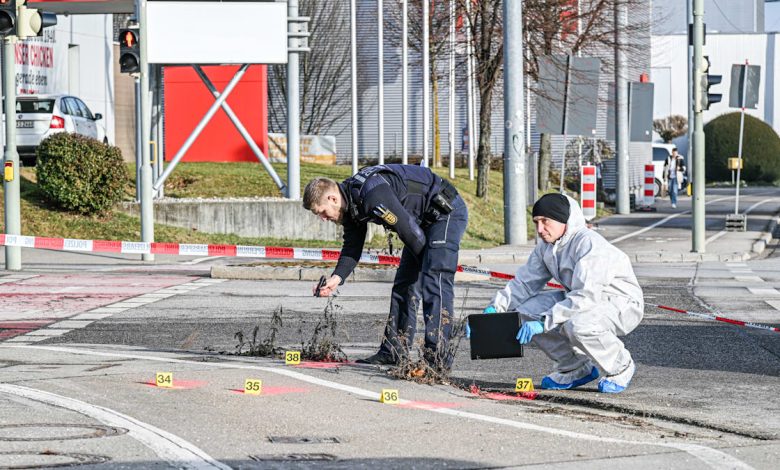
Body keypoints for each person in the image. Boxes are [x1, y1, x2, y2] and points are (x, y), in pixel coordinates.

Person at [303, 164, 468, 371]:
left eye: (323, 213)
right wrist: (336, 278)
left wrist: (430, 266)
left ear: (332, 199)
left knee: (434, 278)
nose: (324, 219)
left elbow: (407, 229)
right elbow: (352, 247)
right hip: (419, 223)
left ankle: (437, 358)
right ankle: (394, 351)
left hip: (445, 213)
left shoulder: (372, 194)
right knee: (404, 285)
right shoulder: (353, 202)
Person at [475, 193, 643, 393]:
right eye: (536, 222)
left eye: (545, 221)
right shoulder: (546, 247)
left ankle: (620, 365)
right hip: (580, 298)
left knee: (578, 325)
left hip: (620, 303)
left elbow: (587, 295)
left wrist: (545, 321)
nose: (539, 229)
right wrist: (496, 308)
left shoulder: (589, 244)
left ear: (563, 220)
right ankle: (575, 367)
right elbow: (525, 283)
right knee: (525, 313)